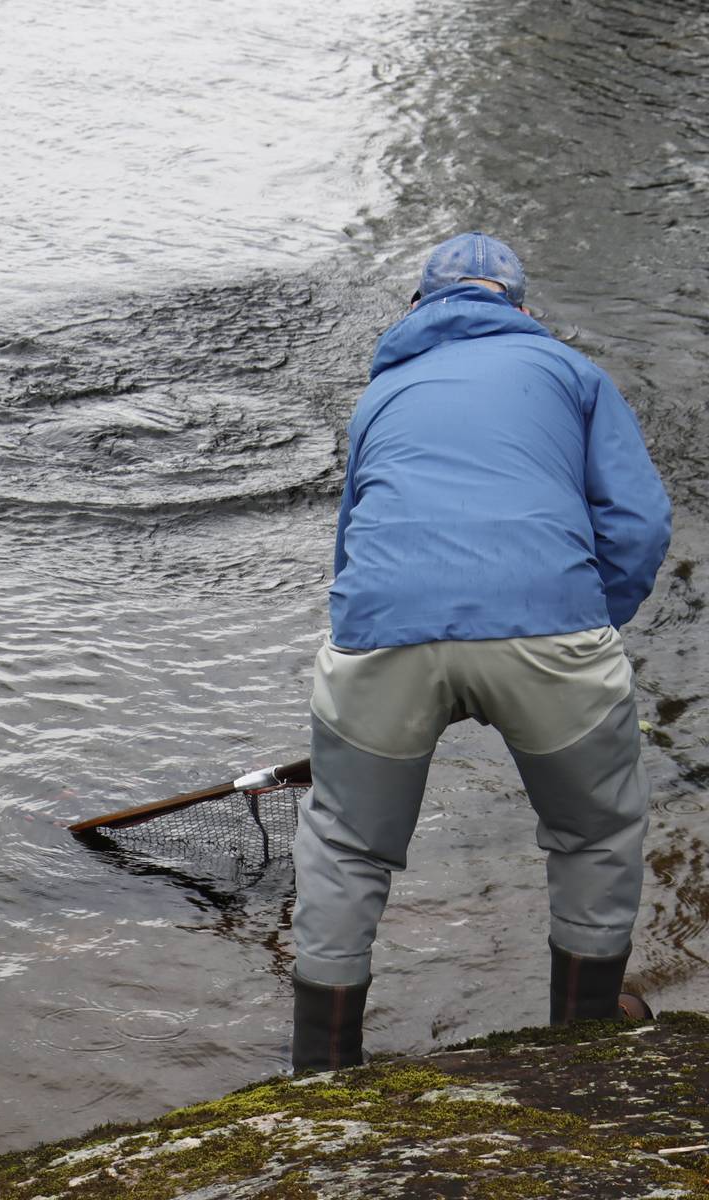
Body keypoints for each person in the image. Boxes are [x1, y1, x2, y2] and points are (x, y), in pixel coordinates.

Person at [291, 232, 672, 1072]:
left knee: (347, 846)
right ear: (520, 307)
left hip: (381, 633)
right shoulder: (574, 374)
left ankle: (320, 1073)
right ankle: (583, 1044)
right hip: (551, 630)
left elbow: (352, 548)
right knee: (595, 834)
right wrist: (586, 617)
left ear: (417, 308)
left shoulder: (381, 394)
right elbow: (639, 525)